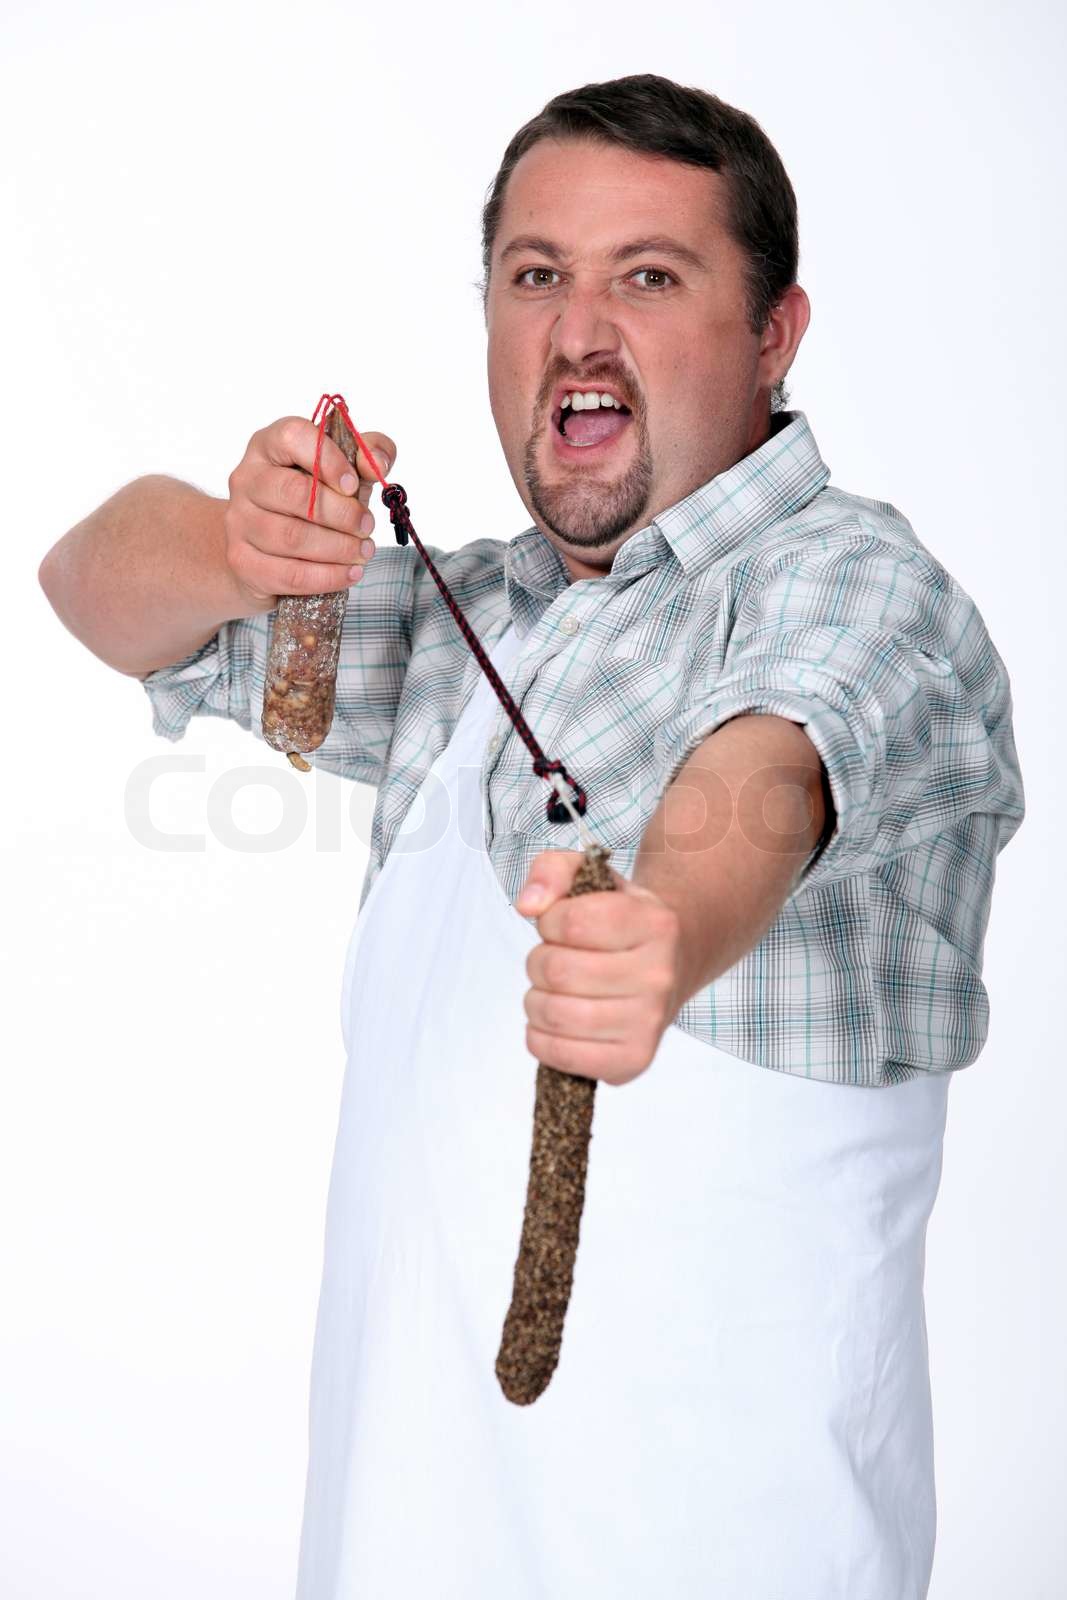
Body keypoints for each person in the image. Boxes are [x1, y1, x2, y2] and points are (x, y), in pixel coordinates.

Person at [39, 72, 1024, 1600]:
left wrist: (668, 932)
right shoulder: (476, 616)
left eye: (649, 275)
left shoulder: (857, 583)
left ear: (775, 334)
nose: (578, 327)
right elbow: (92, 589)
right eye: (535, 276)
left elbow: (780, 752)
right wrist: (239, 550)